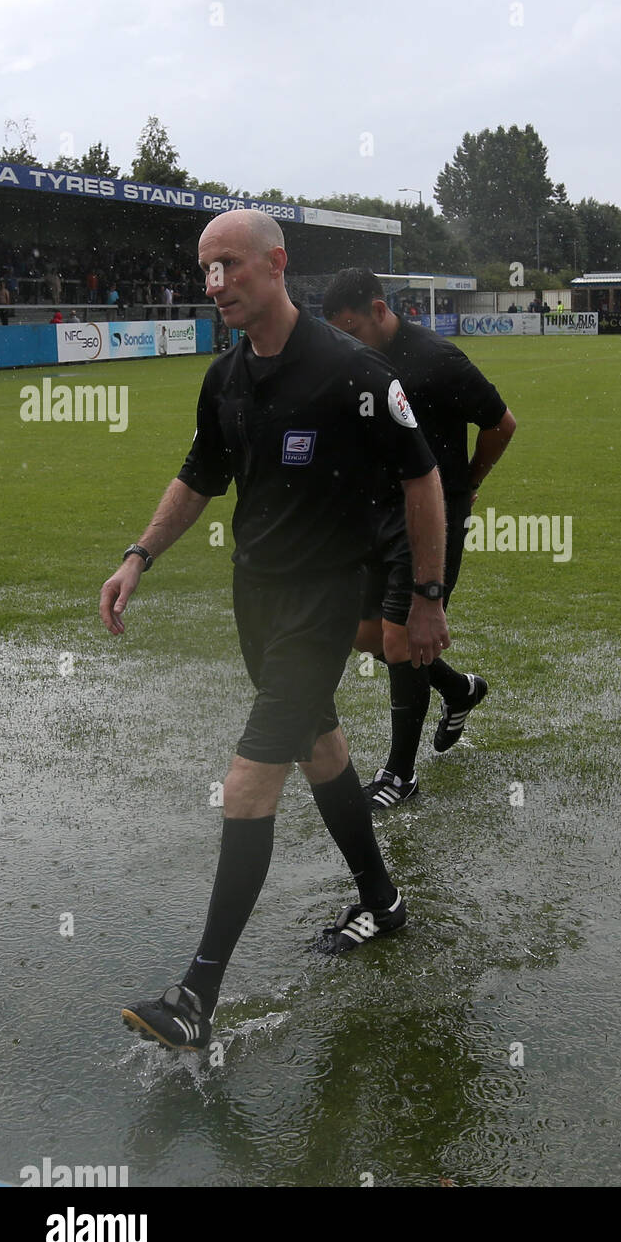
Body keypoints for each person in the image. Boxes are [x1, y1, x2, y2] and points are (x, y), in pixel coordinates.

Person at [99, 211, 449, 1051]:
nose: (216, 283)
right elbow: (199, 475)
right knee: (319, 746)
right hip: (255, 600)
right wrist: (140, 554)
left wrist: (428, 595)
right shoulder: (223, 379)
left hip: (324, 603)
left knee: (250, 778)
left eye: (231, 266)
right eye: (206, 270)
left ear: (276, 264)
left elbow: (424, 478)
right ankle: (382, 901)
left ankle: (197, 994)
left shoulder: (351, 372)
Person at [323, 268, 516, 808]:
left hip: (430, 516)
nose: (346, 339)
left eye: (351, 327)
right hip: (374, 516)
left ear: (380, 311)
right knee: (365, 635)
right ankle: (458, 689)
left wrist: (467, 484)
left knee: (401, 639)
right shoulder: (357, 362)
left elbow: (502, 424)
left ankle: (399, 774)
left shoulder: (439, 359)